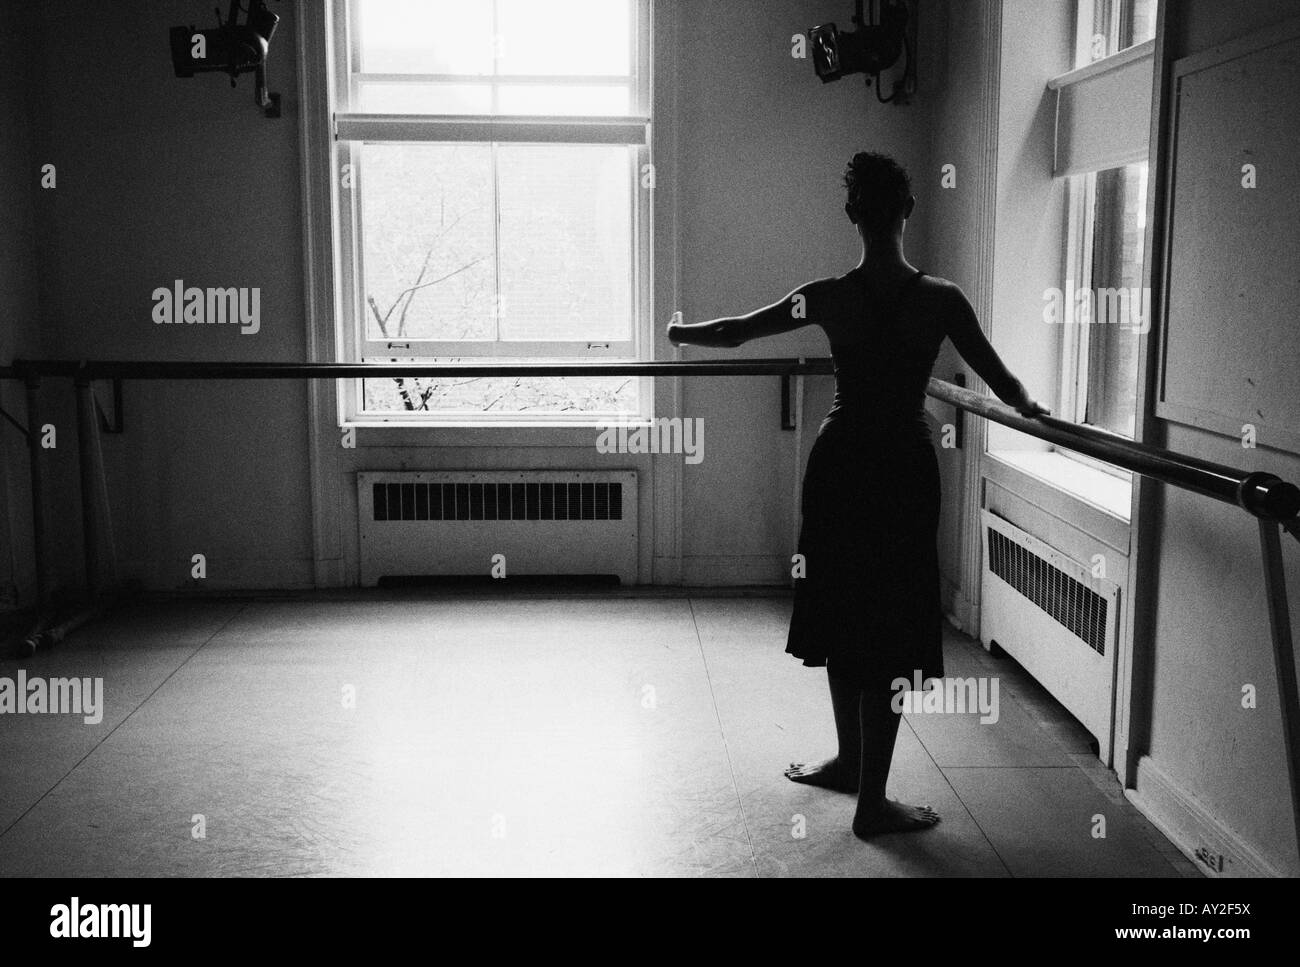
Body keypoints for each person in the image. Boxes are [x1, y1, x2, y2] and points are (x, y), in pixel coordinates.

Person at [667, 152, 1048, 838]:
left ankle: (859, 779)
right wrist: (1033, 408)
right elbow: (1000, 377)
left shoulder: (832, 294)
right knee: (890, 625)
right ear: (906, 211)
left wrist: (679, 330)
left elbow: (736, 331)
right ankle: (861, 781)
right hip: (901, 465)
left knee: (847, 608)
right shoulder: (941, 298)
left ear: (853, 216)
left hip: (843, 462)